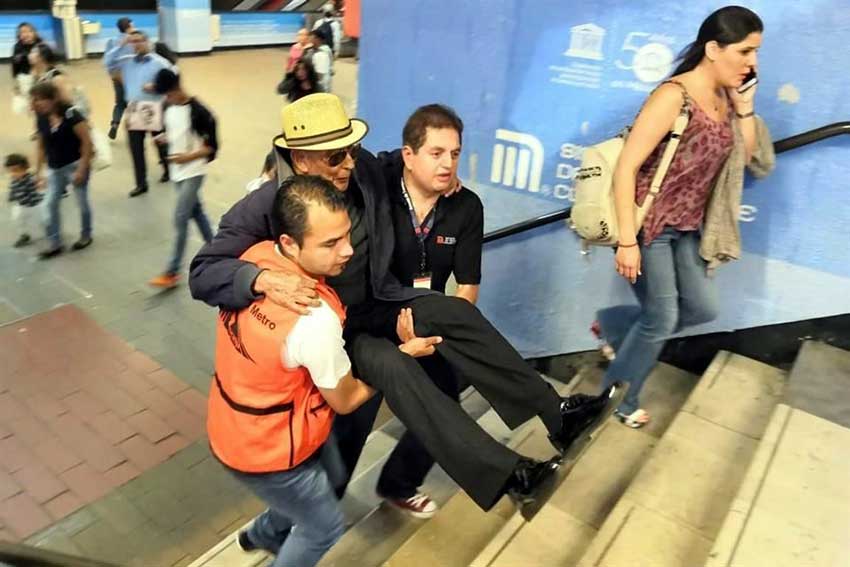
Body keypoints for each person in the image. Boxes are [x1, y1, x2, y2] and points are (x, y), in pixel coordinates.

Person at [189, 93, 621, 518]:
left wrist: (441, 170)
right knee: (396, 372)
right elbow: (203, 270)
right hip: (338, 330)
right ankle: (512, 478)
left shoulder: (364, 172)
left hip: (383, 299)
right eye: (336, 156)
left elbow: (404, 155)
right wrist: (260, 278)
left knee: (455, 311)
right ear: (301, 159)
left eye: (352, 149)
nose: (350, 163)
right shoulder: (268, 205)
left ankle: (557, 416)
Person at [596, 6, 766, 429]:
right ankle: (616, 399)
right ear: (713, 48)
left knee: (704, 309)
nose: (752, 63)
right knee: (661, 318)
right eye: (745, 51)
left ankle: (613, 324)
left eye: (756, 53)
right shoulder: (673, 95)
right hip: (649, 226)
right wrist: (628, 242)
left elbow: (746, 157)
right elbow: (627, 168)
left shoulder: (727, 98)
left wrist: (745, 107)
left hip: (689, 228)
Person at [212, 175, 380, 566]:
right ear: (289, 242)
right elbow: (348, 398)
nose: (349, 251)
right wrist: (401, 356)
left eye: (346, 235)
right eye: (330, 244)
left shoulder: (254, 261)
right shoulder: (313, 318)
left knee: (332, 472)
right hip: (270, 452)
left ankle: (263, 533)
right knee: (322, 527)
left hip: (235, 426)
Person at [372, 104, 484, 516]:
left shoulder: (466, 207)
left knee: (444, 404)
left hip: (428, 324)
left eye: (454, 153)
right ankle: (287, 519)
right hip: (373, 320)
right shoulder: (380, 194)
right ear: (408, 155)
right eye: (436, 153)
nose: (447, 163)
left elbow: (468, 284)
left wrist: (442, 334)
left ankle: (398, 483)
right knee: (346, 421)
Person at [148, 69, 217, 289]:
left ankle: (172, 271)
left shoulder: (199, 112)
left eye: (167, 94)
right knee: (196, 213)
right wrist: (164, 139)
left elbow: (211, 147)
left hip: (193, 171)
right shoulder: (169, 107)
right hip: (178, 172)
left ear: (176, 89)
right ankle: (219, 249)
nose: (165, 99)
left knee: (180, 218)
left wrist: (188, 157)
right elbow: (176, 132)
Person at [104, 30, 174, 197]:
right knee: (136, 147)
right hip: (134, 108)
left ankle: (168, 169)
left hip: (154, 106)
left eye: (139, 41)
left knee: (160, 143)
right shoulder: (126, 62)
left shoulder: (160, 63)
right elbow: (108, 63)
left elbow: (173, 81)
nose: (136, 44)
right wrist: (120, 45)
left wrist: (156, 87)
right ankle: (141, 183)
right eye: (133, 41)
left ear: (147, 42)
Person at [31, 81, 94, 259]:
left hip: (75, 164)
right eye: (35, 100)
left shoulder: (71, 115)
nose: (37, 103)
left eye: (40, 99)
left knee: (81, 201)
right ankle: (54, 243)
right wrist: (38, 172)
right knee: (49, 204)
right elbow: (41, 146)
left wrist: (82, 168)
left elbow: (86, 142)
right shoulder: (41, 118)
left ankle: (86, 235)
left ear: (53, 99)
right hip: (54, 168)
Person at [29, 43, 89, 117]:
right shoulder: (37, 76)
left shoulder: (57, 78)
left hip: (63, 118)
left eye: (33, 52)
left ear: (41, 57)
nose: (30, 55)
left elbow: (67, 102)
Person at [103, 17, 135, 139]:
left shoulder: (111, 41)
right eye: (133, 26)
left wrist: (112, 75)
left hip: (117, 76)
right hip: (131, 77)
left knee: (119, 104)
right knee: (133, 103)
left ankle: (115, 124)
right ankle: (134, 129)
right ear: (128, 27)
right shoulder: (134, 41)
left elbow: (108, 61)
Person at [5, 153, 44, 248]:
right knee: (17, 219)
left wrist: (40, 184)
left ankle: (51, 229)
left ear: (25, 168)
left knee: (41, 221)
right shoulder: (14, 179)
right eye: (11, 171)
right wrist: (11, 197)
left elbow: (34, 191)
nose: (13, 174)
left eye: (16, 171)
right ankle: (24, 235)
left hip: (33, 205)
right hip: (21, 206)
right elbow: (13, 189)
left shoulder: (30, 179)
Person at [10, 22, 41, 114]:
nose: (26, 34)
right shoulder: (17, 47)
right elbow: (15, 65)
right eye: (23, 32)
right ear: (19, 35)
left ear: (34, 32)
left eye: (29, 31)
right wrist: (16, 83)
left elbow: (49, 60)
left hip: (42, 77)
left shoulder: (41, 44)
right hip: (25, 78)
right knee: (31, 104)